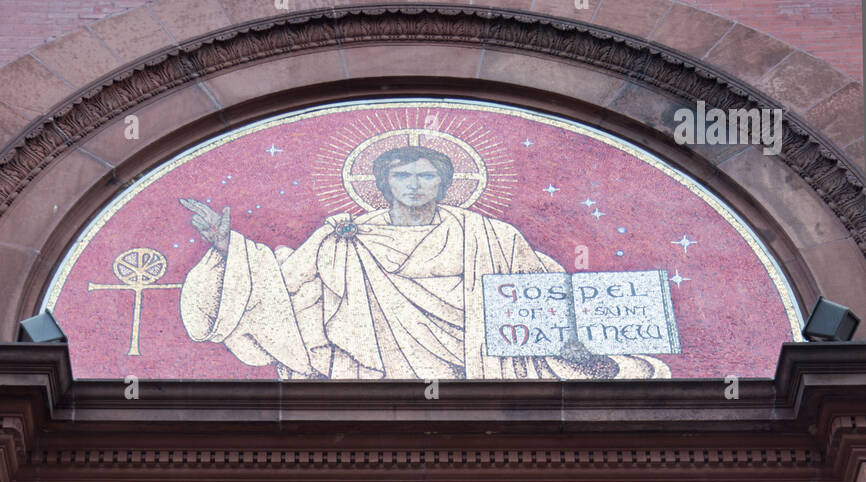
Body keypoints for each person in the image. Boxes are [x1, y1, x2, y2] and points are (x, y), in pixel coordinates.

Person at [179, 144, 669, 381]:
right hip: (372, 380)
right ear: (384, 184)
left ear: (444, 183)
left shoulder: (490, 234)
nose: (415, 185)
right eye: (403, 176)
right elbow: (282, 292)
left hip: (480, 373)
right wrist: (229, 252)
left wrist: (590, 333)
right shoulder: (345, 236)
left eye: (427, 176)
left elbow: (541, 293)